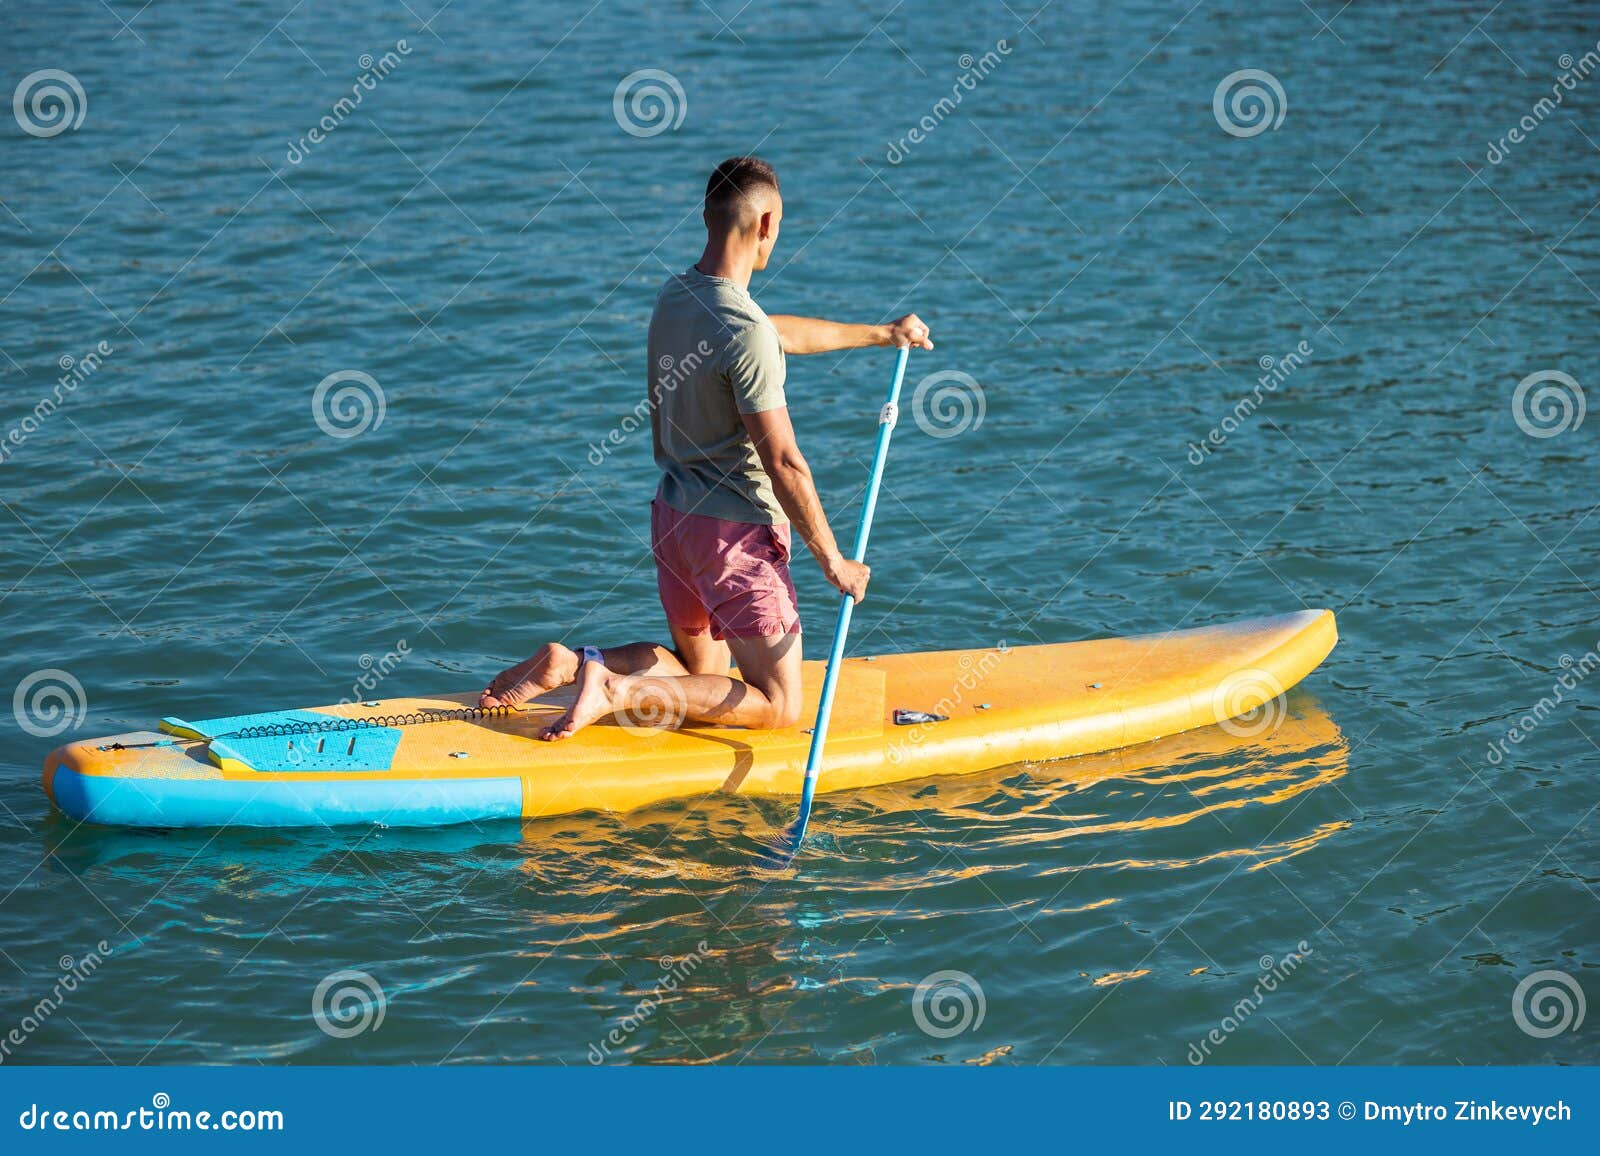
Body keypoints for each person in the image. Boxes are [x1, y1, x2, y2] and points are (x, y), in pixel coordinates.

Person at [481, 156, 931, 740]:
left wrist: (880, 334)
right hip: (735, 537)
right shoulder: (744, 333)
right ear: (767, 223)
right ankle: (615, 689)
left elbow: (768, 335)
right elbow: (784, 461)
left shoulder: (677, 296)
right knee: (777, 704)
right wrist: (833, 561)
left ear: (707, 217)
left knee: (699, 672)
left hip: (675, 521)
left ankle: (577, 664)